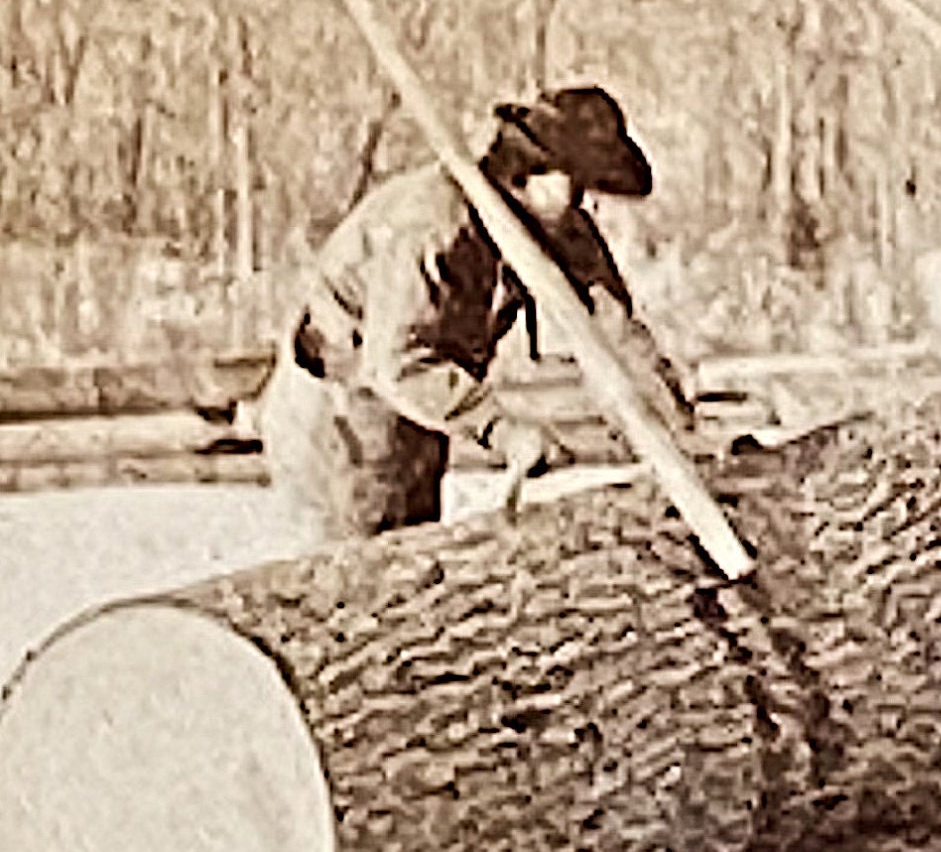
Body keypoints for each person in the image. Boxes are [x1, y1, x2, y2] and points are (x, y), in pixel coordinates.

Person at [257, 84, 697, 545]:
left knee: (415, 558)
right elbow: (395, 363)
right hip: (339, 409)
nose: (586, 202)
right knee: (364, 578)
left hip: (421, 405)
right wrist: (503, 430)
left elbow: (612, 325)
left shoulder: (556, 223)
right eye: (578, 182)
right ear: (529, 171)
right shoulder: (432, 226)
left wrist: (668, 421)